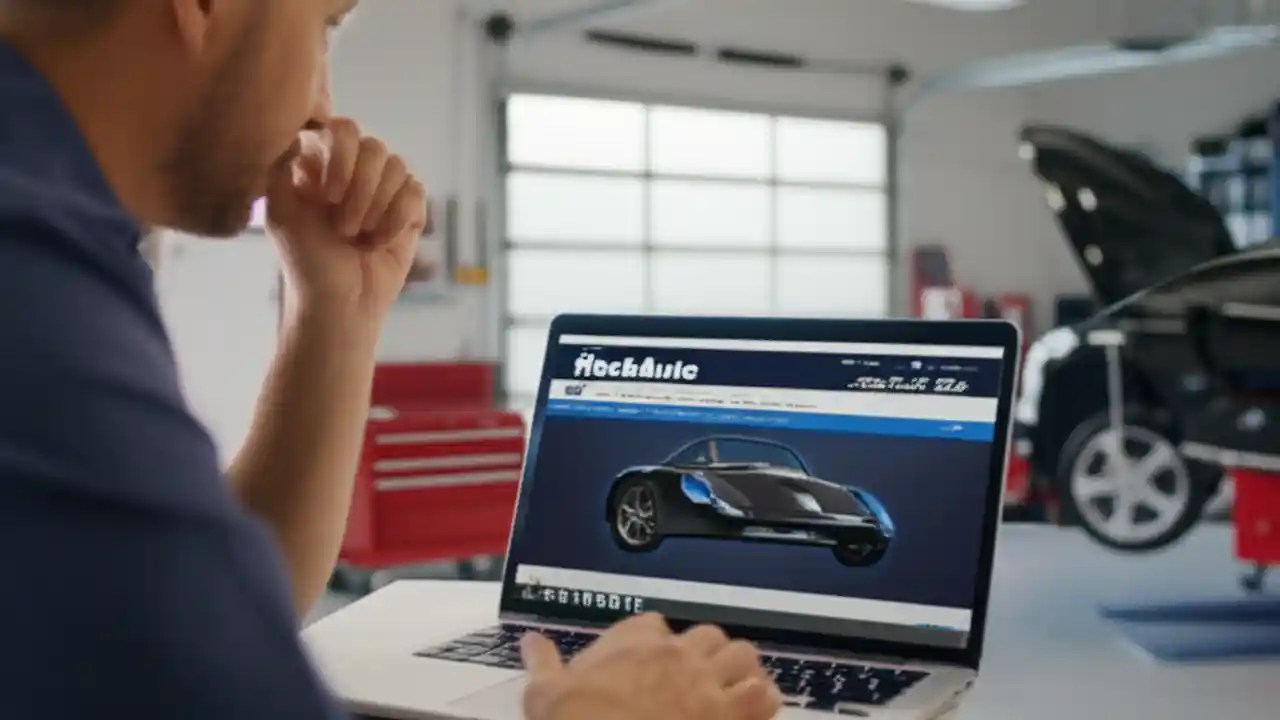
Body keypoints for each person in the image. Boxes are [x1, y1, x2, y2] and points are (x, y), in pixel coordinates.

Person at [0, 1, 783, 719]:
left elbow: (193, 622)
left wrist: (337, 311)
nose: (321, 107)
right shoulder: (30, 281)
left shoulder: (61, 227)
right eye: (323, 28)